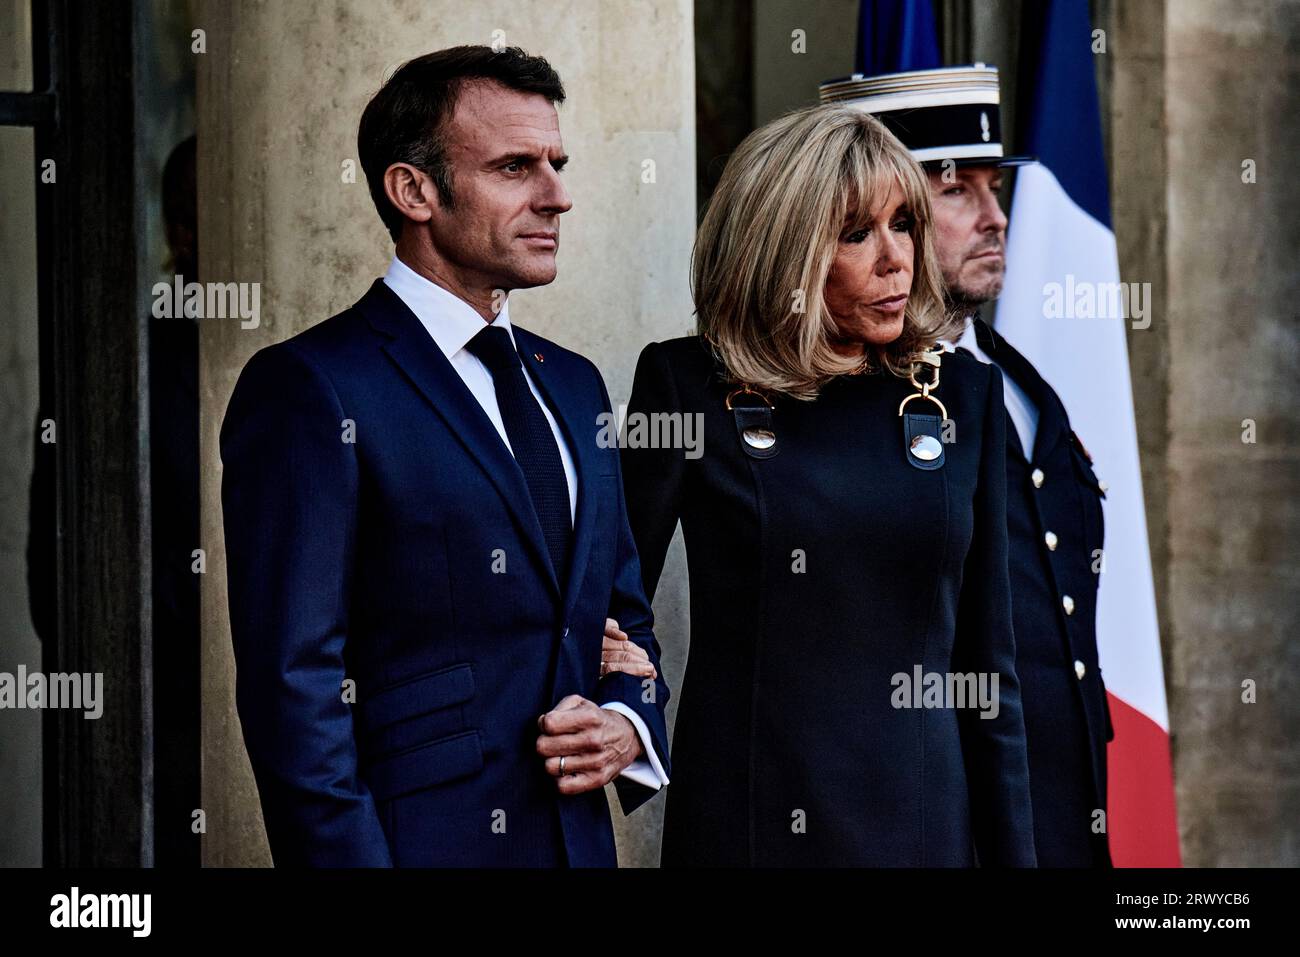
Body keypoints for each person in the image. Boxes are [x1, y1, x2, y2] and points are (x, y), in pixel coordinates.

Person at [220, 45, 670, 867]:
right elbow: (295, 690)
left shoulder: (572, 386)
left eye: (557, 164)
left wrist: (626, 722)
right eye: (515, 167)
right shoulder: (309, 389)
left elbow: (620, 614)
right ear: (413, 190)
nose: (558, 196)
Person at [620, 103, 1036, 866]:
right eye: (856, 234)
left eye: (904, 224)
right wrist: (628, 717)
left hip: (924, 830)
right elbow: (611, 606)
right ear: (782, 250)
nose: (895, 258)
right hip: (751, 825)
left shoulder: (962, 396)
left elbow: (989, 669)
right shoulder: (687, 386)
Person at [822, 64, 1113, 866]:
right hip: (935, 823)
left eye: (995, 187)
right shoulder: (828, 413)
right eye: (956, 192)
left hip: (1066, 806)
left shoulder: (1017, 382)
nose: (996, 217)